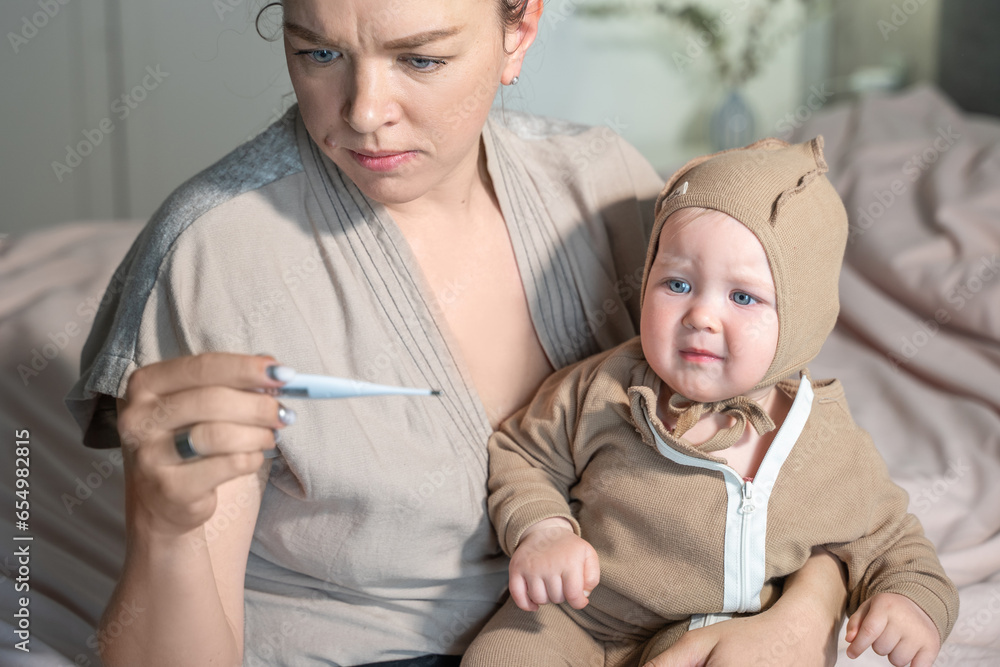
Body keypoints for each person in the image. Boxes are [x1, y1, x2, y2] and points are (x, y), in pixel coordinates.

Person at [65, 1, 850, 665]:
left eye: (422, 60)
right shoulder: (218, 254)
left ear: (520, 31)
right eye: (320, 52)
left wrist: (803, 612)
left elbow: (793, 459)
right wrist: (164, 532)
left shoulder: (601, 184)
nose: (364, 112)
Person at [462, 137, 959, 667]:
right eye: (676, 283)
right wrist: (544, 531)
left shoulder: (824, 442)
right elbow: (524, 454)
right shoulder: (602, 390)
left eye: (742, 297)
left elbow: (892, 540)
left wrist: (914, 604)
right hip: (579, 614)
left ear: (802, 318)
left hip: (713, 635)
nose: (700, 316)